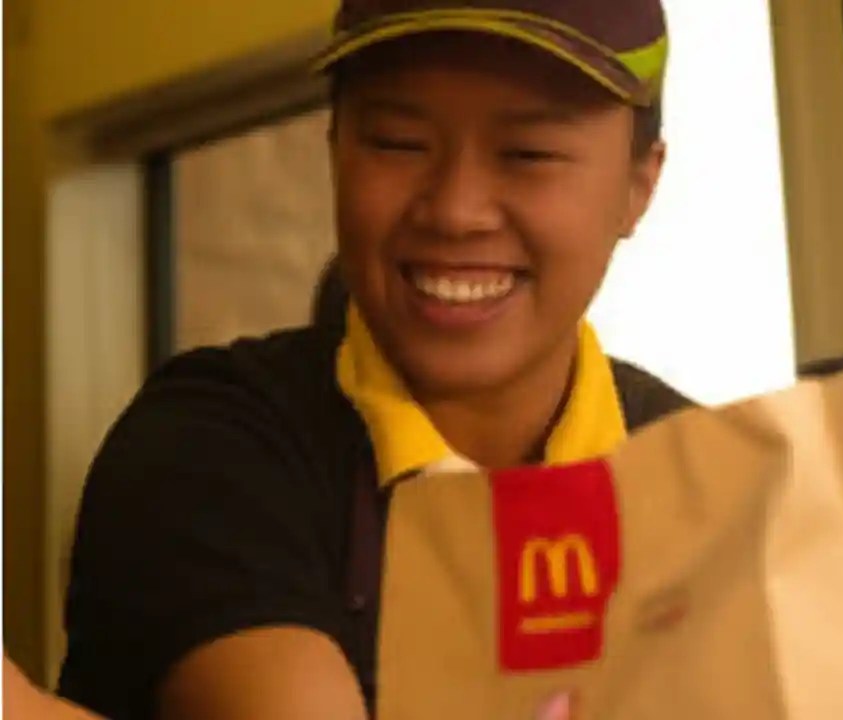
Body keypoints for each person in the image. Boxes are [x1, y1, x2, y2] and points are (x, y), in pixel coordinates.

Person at [55, 1, 687, 718]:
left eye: (528, 154)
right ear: (334, 152)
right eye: (397, 142)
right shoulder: (209, 448)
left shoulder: (708, 487)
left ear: (640, 185)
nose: (455, 209)